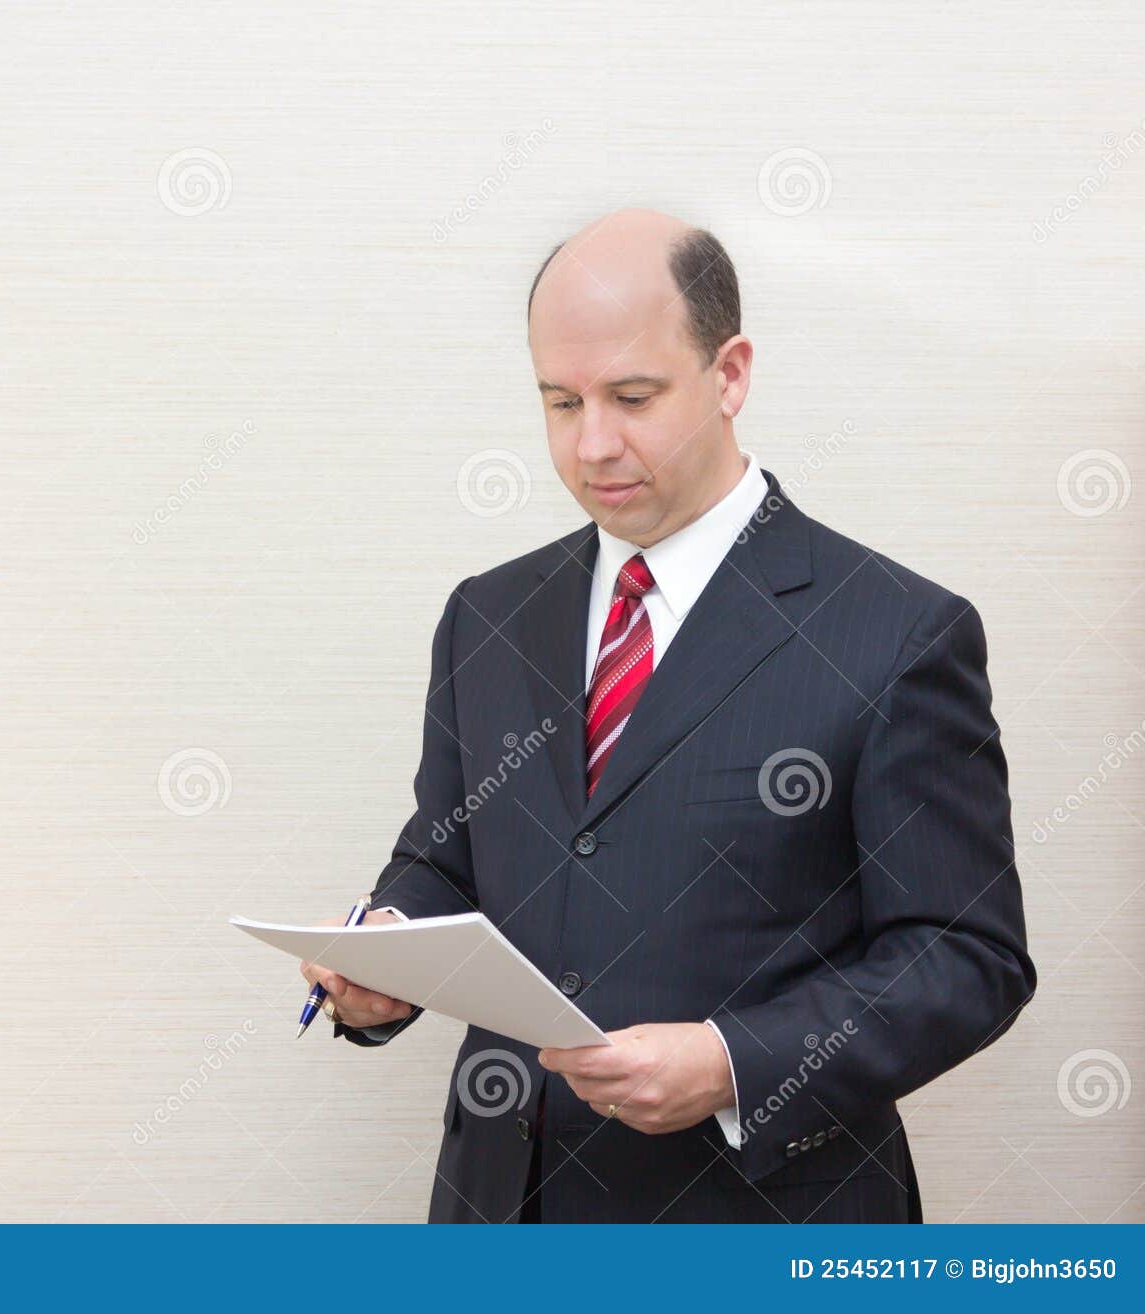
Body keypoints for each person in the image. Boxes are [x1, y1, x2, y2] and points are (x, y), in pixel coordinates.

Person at [299, 208, 1036, 1223]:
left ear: (728, 375)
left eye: (631, 397)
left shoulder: (898, 632)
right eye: (559, 403)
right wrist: (385, 952)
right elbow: (447, 859)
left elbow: (965, 956)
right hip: (501, 1209)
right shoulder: (488, 614)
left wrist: (736, 1062)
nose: (591, 444)